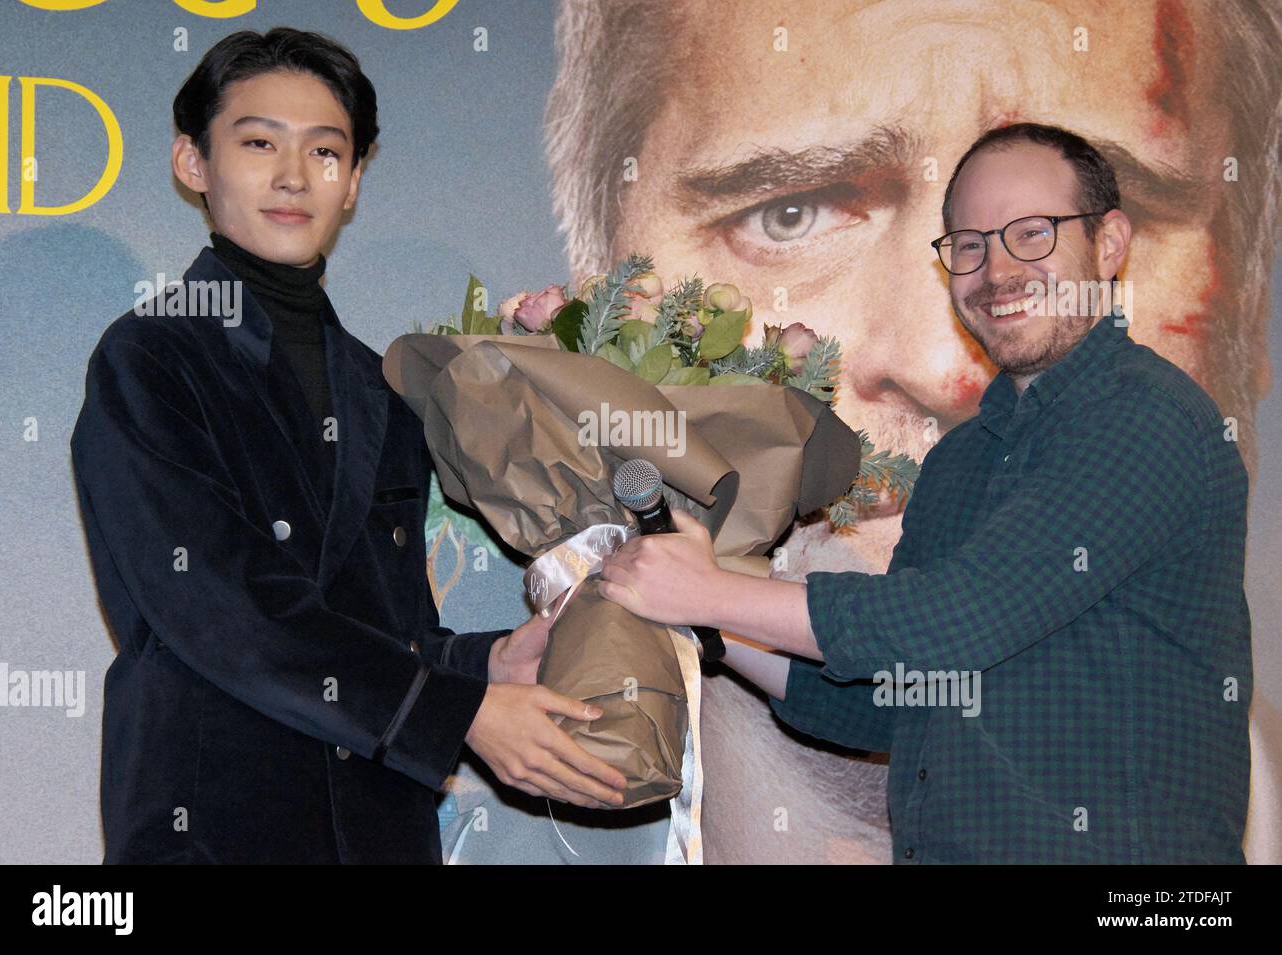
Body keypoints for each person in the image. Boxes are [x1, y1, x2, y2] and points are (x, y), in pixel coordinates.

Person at [545, 0, 1281, 864]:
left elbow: (949, 621)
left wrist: (711, 592)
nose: (996, 272)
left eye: (1033, 235)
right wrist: (700, 618)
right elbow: (895, 697)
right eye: (968, 246)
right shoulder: (970, 457)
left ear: (1111, 243)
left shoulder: (1145, 413)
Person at [70, 27, 625, 865]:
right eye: (258, 143)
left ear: (355, 179)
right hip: (215, 824)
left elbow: (389, 625)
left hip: (377, 828)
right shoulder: (149, 357)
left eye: (326, 152)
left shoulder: (383, 386)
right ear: (193, 162)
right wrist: (453, 712)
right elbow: (224, 606)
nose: (294, 177)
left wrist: (488, 663)